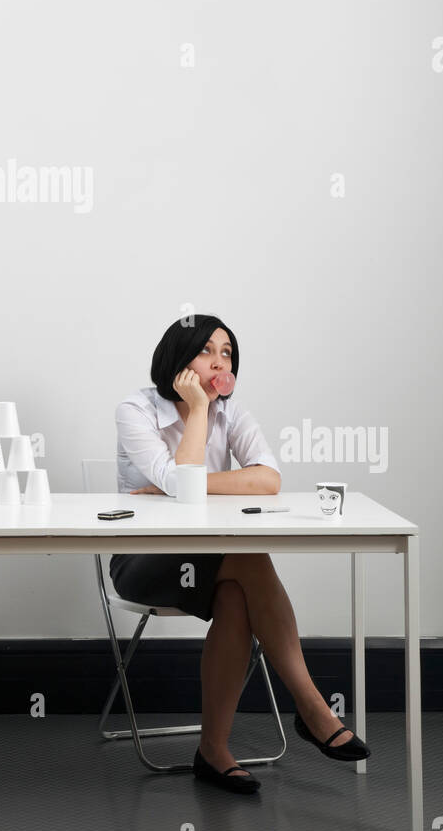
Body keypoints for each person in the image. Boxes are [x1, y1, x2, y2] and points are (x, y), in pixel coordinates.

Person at [111, 314, 370, 794]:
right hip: (144, 563)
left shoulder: (233, 412)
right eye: (207, 350)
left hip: (212, 560)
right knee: (249, 557)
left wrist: (184, 483)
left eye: (226, 352)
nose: (219, 361)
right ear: (178, 357)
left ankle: (214, 752)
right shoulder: (136, 410)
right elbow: (181, 484)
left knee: (235, 595)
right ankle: (313, 708)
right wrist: (195, 411)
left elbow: (268, 480)